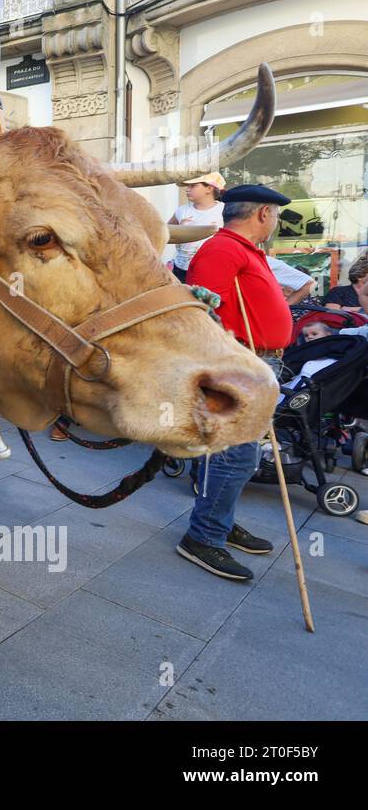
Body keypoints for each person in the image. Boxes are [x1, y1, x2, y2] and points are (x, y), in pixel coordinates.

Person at [182, 184, 292, 581]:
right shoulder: (223, 249)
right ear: (264, 213)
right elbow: (201, 314)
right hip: (239, 365)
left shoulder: (244, 251)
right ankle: (204, 536)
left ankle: (220, 523)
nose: (275, 223)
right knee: (235, 456)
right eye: (275, 216)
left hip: (258, 364)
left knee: (238, 457)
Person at [167, 172, 226, 281]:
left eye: (193, 186)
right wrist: (180, 229)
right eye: (187, 186)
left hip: (210, 269)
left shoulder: (223, 210)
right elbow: (165, 233)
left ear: (209, 188)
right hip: (180, 269)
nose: (187, 189)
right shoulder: (182, 211)